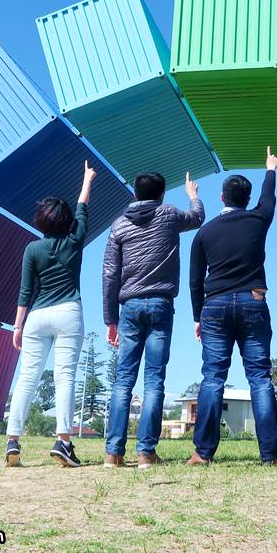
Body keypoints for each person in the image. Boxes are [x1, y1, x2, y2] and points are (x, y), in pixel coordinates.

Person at [102, 172, 205, 468]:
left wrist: (110, 319)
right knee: (154, 380)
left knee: (123, 380)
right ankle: (146, 452)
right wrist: (193, 195)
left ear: (135, 194)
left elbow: (110, 274)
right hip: (161, 303)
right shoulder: (169, 214)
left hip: (129, 307)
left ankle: (113, 453)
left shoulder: (118, 225)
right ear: (161, 194)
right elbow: (197, 218)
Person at [187, 147, 277, 465]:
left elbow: (195, 280)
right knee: (260, 377)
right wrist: (270, 169)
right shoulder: (258, 219)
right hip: (253, 301)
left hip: (213, 305)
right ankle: (270, 455)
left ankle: (203, 453)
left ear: (222, 197)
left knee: (213, 377)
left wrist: (197, 316)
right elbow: (269, 199)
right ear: (247, 198)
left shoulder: (205, 232)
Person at [4, 161, 96, 468]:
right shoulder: (75, 241)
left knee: (27, 377)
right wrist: (87, 180)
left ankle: (12, 440)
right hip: (68, 312)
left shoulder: (32, 249)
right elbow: (82, 210)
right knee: (65, 377)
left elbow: (25, 291)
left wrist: (17, 326)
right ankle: (63, 442)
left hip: (36, 316)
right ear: (66, 221)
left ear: (40, 221)